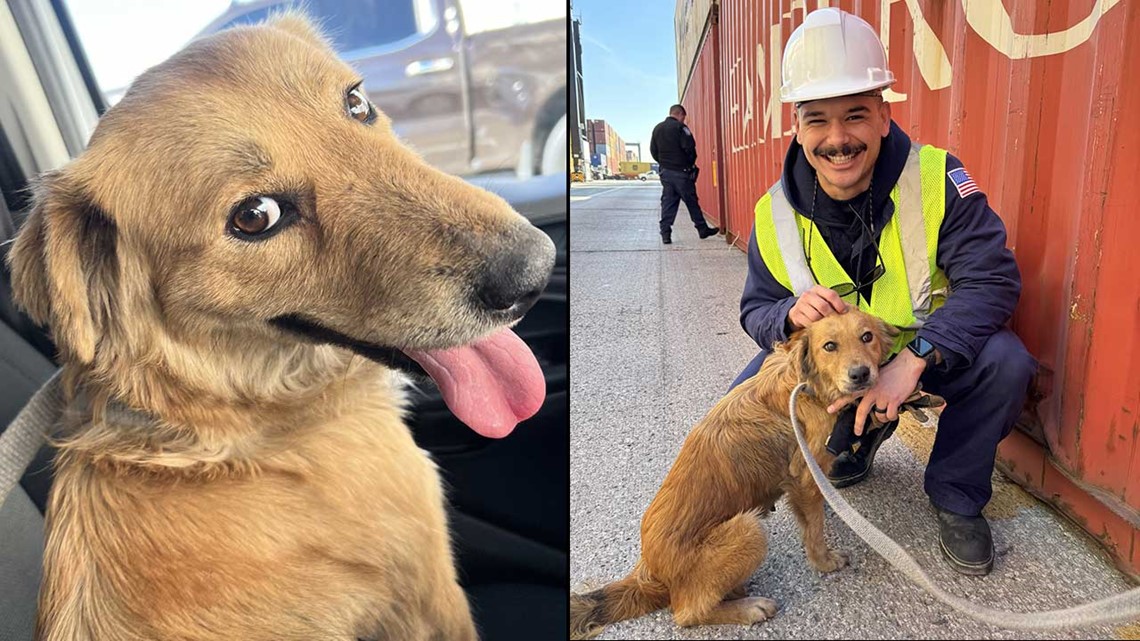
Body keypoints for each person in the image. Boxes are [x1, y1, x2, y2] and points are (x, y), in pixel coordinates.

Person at [730, 7, 1036, 576]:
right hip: (842, 365)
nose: (838, 139)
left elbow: (992, 279)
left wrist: (915, 359)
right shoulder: (772, 214)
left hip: (930, 354)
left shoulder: (938, 178)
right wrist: (786, 313)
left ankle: (956, 495)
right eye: (818, 120)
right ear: (797, 126)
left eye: (856, 116)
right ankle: (853, 439)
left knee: (1006, 360)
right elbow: (756, 309)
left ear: (884, 117)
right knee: (743, 392)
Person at [649, 104, 719, 244]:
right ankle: (702, 229)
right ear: (680, 114)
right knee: (691, 201)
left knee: (668, 202)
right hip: (681, 172)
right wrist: (689, 164)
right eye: (683, 118)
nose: (683, 120)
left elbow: (653, 151)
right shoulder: (680, 128)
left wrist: (664, 163)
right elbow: (690, 148)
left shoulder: (657, 129)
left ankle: (665, 234)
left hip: (666, 173)